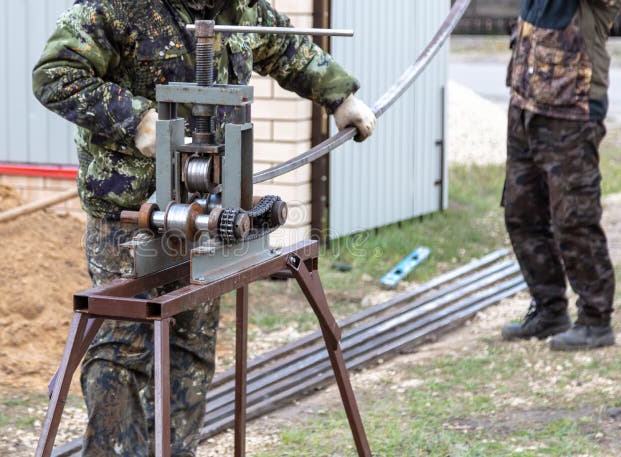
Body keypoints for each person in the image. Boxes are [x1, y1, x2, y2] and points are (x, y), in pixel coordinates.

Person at [32, 1, 375, 455]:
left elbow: (287, 48)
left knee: (189, 355)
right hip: (129, 216)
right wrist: (135, 119)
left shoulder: (240, 7)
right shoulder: (116, 7)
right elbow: (54, 74)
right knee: (121, 354)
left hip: (207, 214)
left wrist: (341, 97)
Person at [500, 0, 621, 351]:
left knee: (574, 218)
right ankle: (549, 309)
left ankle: (595, 320)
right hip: (525, 106)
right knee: (521, 213)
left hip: (572, 112)